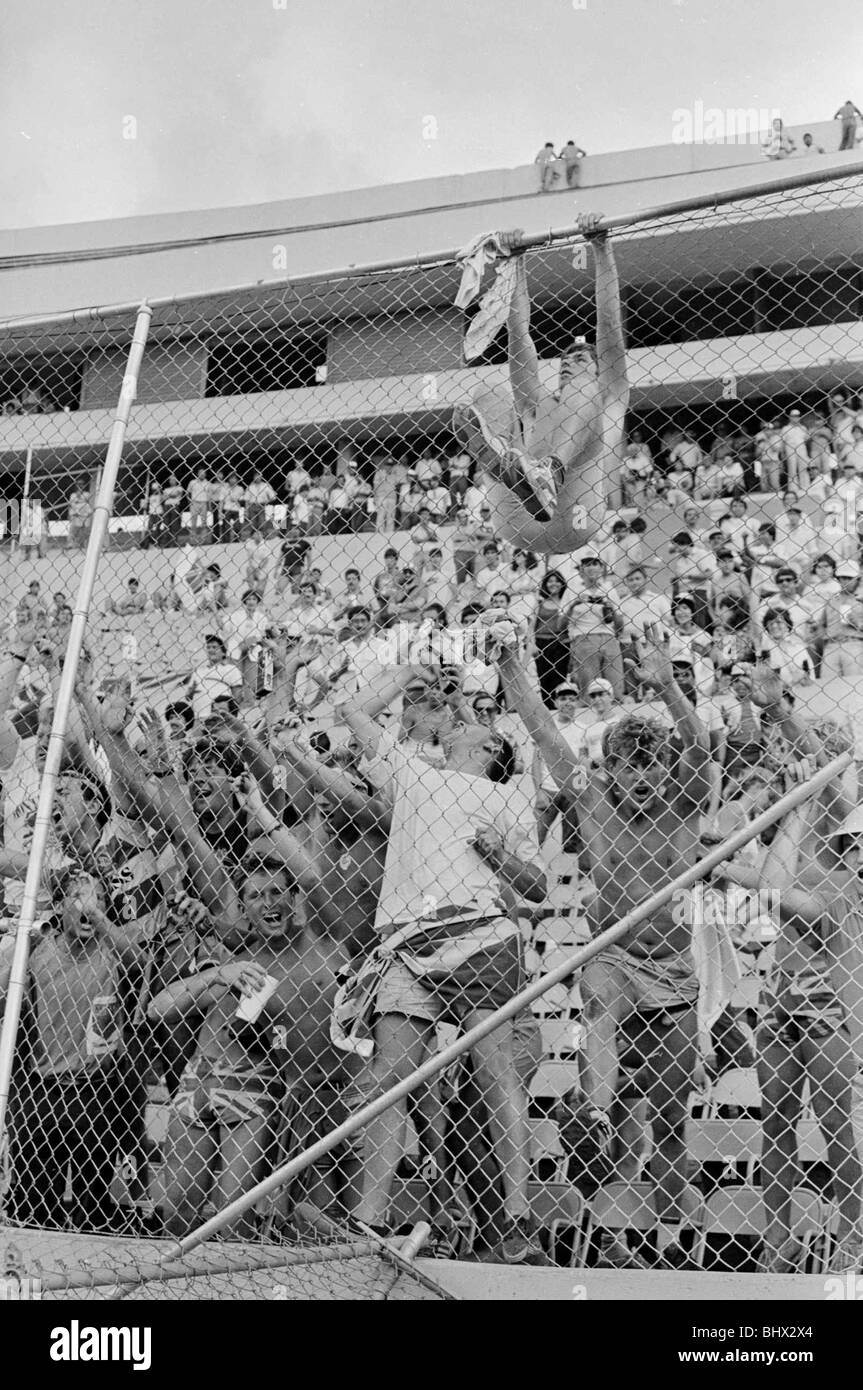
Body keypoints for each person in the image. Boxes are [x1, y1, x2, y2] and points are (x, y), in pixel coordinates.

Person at [498, 624, 713, 1268]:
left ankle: (674, 1245)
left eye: (651, 762)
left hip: (674, 970)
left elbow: (701, 747)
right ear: (610, 768)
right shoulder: (591, 802)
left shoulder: (684, 801)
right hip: (616, 955)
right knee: (598, 999)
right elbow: (541, 730)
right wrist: (513, 666)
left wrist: (669, 687)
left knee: (670, 1124)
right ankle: (591, 1116)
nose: (642, 775)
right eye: (629, 763)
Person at [340, 664, 549, 1264]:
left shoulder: (507, 796)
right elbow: (354, 713)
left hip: (480, 935)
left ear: (491, 748)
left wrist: (500, 859)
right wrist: (405, 670)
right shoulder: (414, 773)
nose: (458, 721)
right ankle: (369, 1219)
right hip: (407, 941)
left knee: (495, 1076)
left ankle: (515, 1216)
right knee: (389, 1076)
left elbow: (536, 885)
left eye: (474, 723)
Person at [721, 744, 863, 1272]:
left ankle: (852, 1238)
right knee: (775, 1126)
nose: (857, 854)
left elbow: (775, 888)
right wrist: (731, 866)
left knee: (833, 1130)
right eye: (852, 846)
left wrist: (797, 806)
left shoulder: (846, 893)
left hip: (831, 1015)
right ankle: (777, 1242)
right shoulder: (821, 871)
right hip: (784, 1004)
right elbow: (769, 882)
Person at [453, 213, 628, 554]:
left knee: (583, 392)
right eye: (563, 360)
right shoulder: (539, 402)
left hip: (577, 515)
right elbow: (519, 336)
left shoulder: (610, 394)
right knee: (488, 391)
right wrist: (516, 260)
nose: (567, 363)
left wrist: (601, 247)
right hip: (514, 521)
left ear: (599, 369)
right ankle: (507, 464)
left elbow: (609, 326)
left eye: (579, 360)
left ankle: (551, 471)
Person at [566, 554, 624, 699]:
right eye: (587, 564)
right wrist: (574, 604)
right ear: (580, 570)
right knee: (589, 690)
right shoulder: (572, 590)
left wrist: (611, 608)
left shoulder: (609, 590)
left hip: (609, 638)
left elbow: (620, 625)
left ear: (601, 569)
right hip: (583, 638)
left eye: (595, 564)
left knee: (615, 688)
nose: (591, 568)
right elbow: (560, 624)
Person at [531, 569, 572, 706]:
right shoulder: (540, 603)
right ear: (545, 584)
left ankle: (559, 704)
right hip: (542, 643)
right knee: (544, 678)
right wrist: (532, 644)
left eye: (556, 581)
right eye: (550, 581)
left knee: (559, 676)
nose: (553, 584)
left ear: (562, 583)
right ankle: (547, 706)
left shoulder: (566, 602)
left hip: (561, 643)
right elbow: (532, 625)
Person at [186, 635, 243, 719]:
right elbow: (188, 697)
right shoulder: (198, 671)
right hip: (198, 717)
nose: (211, 650)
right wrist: (191, 690)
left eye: (214, 647)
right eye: (208, 647)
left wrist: (232, 716)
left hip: (220, 717)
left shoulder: (231, 669)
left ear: (223, 652)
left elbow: (237, 695)